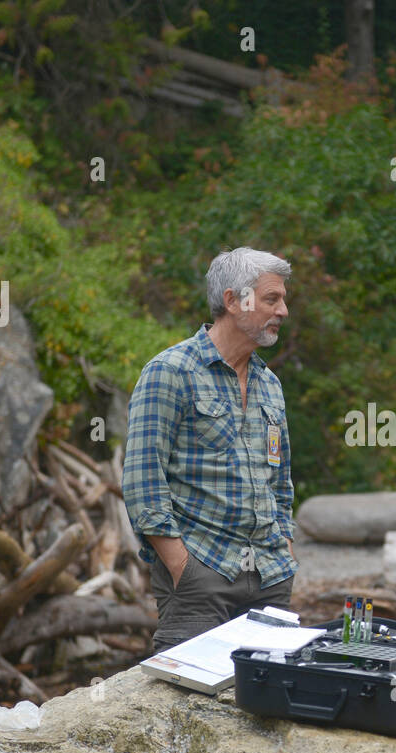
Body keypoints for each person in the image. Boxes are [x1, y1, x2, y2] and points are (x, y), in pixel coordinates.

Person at [122, 247, 297, 654]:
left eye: (283, 299)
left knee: (269, 691)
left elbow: (280, 482)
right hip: (201, 577)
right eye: (272, 299)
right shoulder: (170, 372)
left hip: (271, 577)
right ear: (233, 301)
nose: (283, 310)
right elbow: (143, 481)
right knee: (188, 691)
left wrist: (285, 549)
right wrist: (184, 568)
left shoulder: (270, 385)